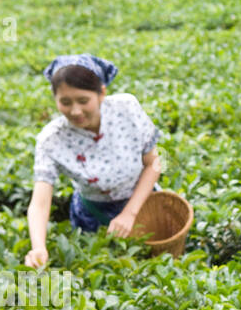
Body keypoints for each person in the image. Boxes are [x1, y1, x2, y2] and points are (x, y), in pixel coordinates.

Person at [24, 54, 162, 268]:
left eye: (83, 100)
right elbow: (40, 203)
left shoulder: (126, 108)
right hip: (93, 216)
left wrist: (129, 213)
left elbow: (153, 163)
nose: (75, 111)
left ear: (101, 93)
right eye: (65, 102)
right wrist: (38, 247)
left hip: (144, 203)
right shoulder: (51, 139)